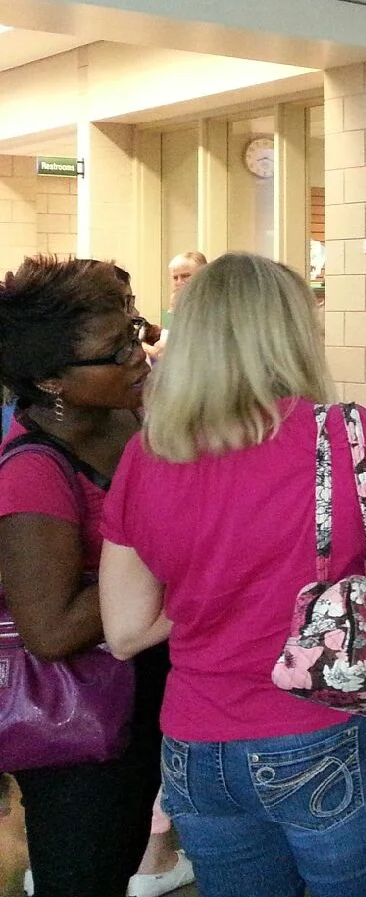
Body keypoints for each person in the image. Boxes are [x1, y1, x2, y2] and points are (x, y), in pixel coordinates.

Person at [97, 252, 366, 897]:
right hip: (327, 727)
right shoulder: (344, 436)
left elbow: (124, 631)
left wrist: (215, 586)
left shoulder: (148, 453)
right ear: (290, 332)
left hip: (195, 747)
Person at [0, 258, 167, 897]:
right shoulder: (35, 471)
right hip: (79, 722)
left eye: (135, 330)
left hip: (145, 695)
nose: (137, 353)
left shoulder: (130, 421)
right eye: (115, 350)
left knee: (120, 858)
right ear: (52, 381)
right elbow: (49, 629)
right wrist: (163, 550)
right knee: (84, 875)